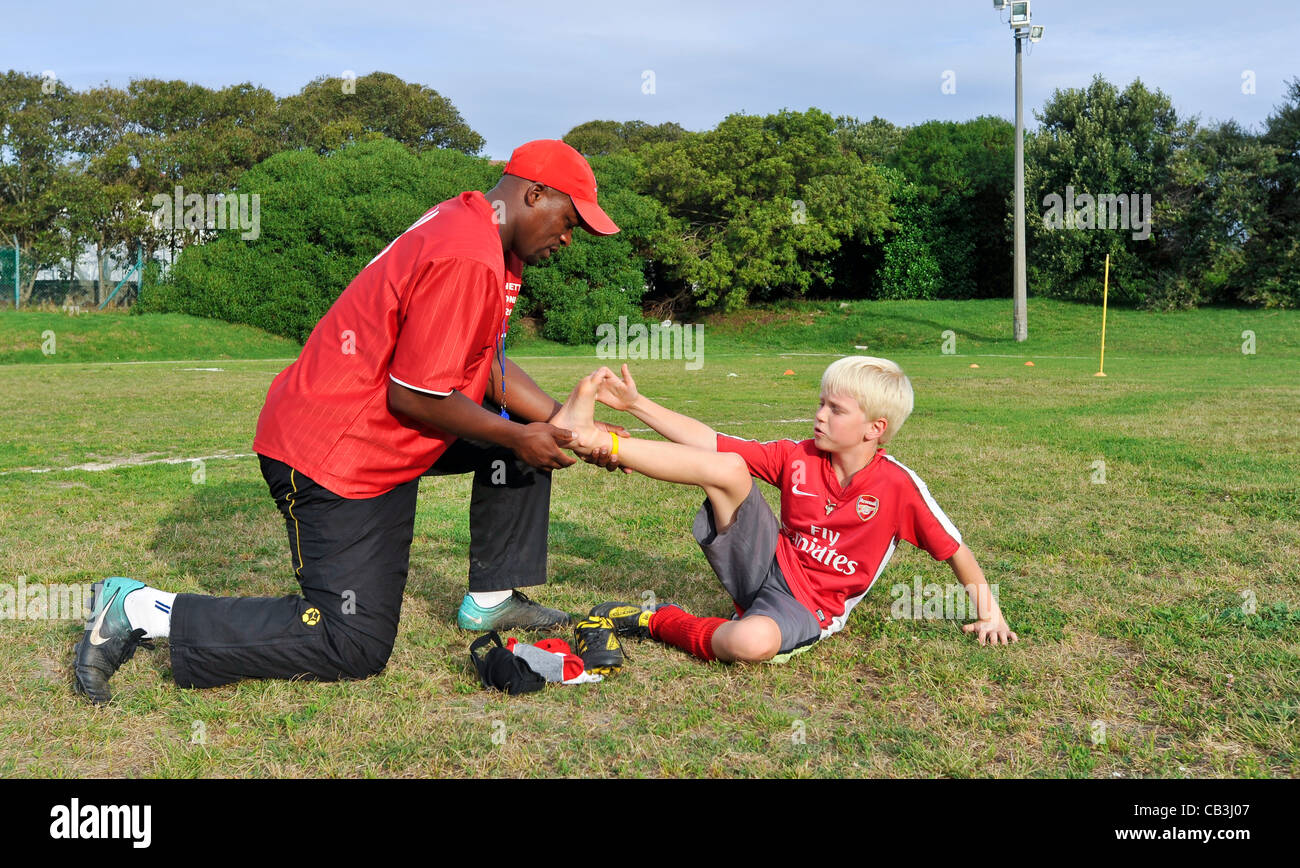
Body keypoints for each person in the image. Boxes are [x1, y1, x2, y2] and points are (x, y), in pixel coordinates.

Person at [74, 139, 627, 703]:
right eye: (569, 222)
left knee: (526, 447)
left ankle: (491, 600)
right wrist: (517, 434)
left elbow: (486, 368)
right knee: (351, 641)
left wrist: (562, 426)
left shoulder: (479, 229)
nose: (566, 239)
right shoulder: (468, 253)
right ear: (533, 194)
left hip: (378, 437)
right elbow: (415, 395)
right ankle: (140, 608)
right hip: (335, 449)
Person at [553, 358, 1017, 664]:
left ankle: (653, 619)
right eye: (820, 403)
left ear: (875, 428)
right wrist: (635, 405)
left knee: (749, 643)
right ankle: (594, 438)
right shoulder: (799, 456)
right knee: (733, 468)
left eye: (835, 409)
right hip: (765, 559)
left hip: (808, 607)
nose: (819, 415)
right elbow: (713, 444)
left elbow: (954, 550)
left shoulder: (898, 487)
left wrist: (990, 613)